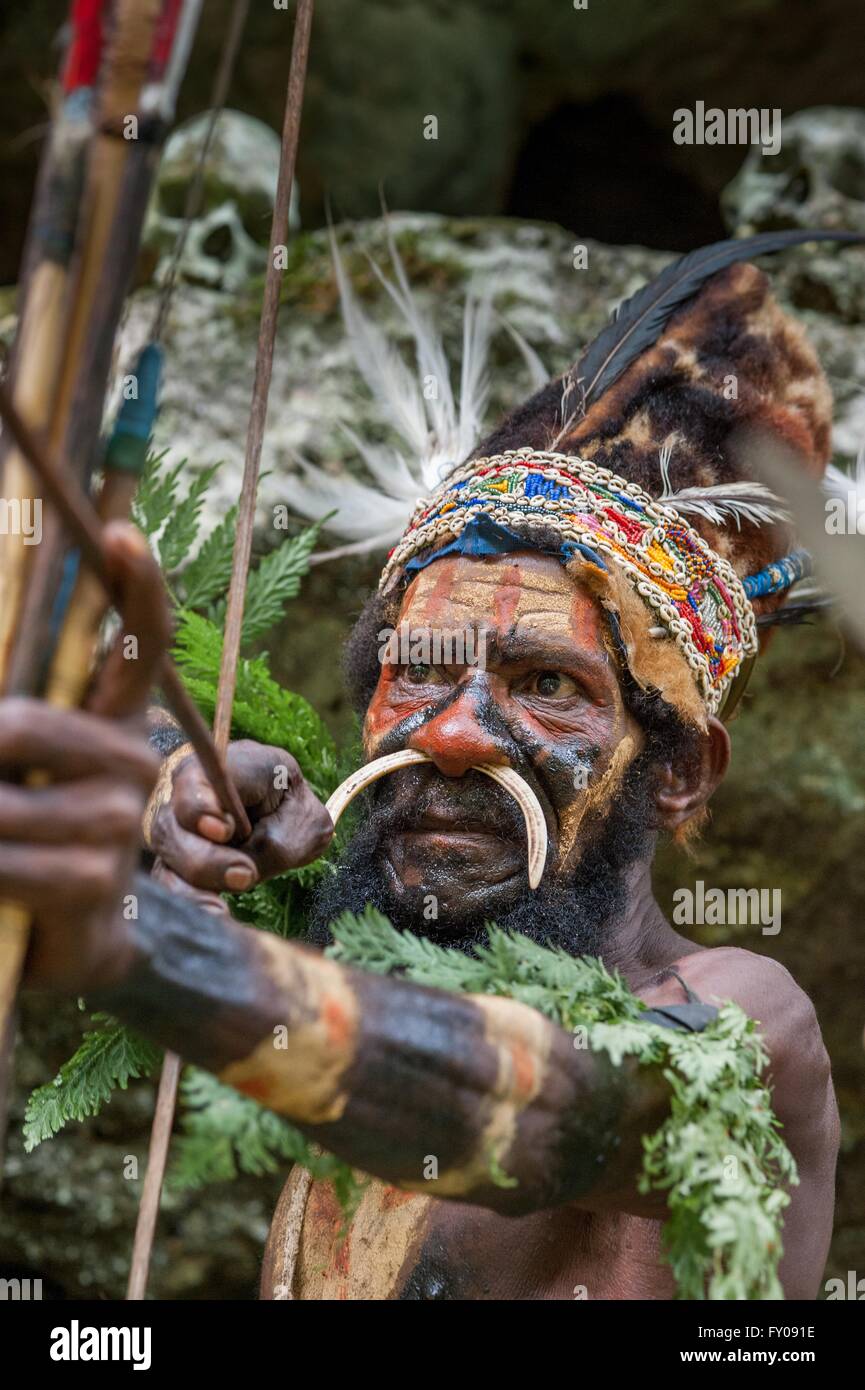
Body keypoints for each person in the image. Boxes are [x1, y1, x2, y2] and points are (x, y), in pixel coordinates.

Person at [2, 250, 838, 1300]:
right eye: (417, 675)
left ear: (677, 771)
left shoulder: (746, 1025)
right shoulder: (346, 936)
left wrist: (142, 942)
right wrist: (176, 781)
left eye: (544, 681)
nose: (449, 735)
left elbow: (540, 1113)